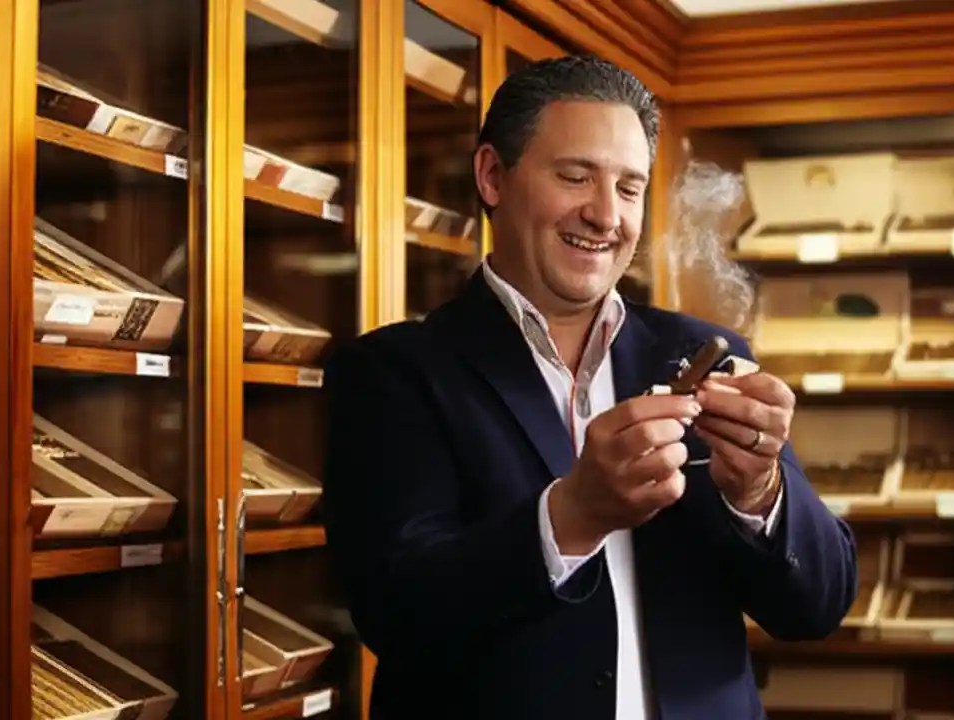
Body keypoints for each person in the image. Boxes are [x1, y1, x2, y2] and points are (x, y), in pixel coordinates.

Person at [323, 54, 857, 720]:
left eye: (629, 188)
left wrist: (759, 492)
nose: (607, 216)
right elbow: (397, 614)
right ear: (492, 176)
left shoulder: (705, 356)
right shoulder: (392, 373)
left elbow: (816, 607)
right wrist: (572, 515)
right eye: (575, 177)